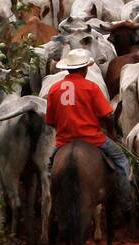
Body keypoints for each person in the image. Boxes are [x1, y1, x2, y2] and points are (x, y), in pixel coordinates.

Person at [44, 49, 133, 215]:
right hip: (93, 139)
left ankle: (52, 208)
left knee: (48, 170)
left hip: (63, 141)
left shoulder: (54, 89)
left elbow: (50, 121)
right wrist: (111, 131)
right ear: (84, 69)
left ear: (68, 69)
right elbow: (107, 114)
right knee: (121, 161)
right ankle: (125, 203)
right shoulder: (91, 87)